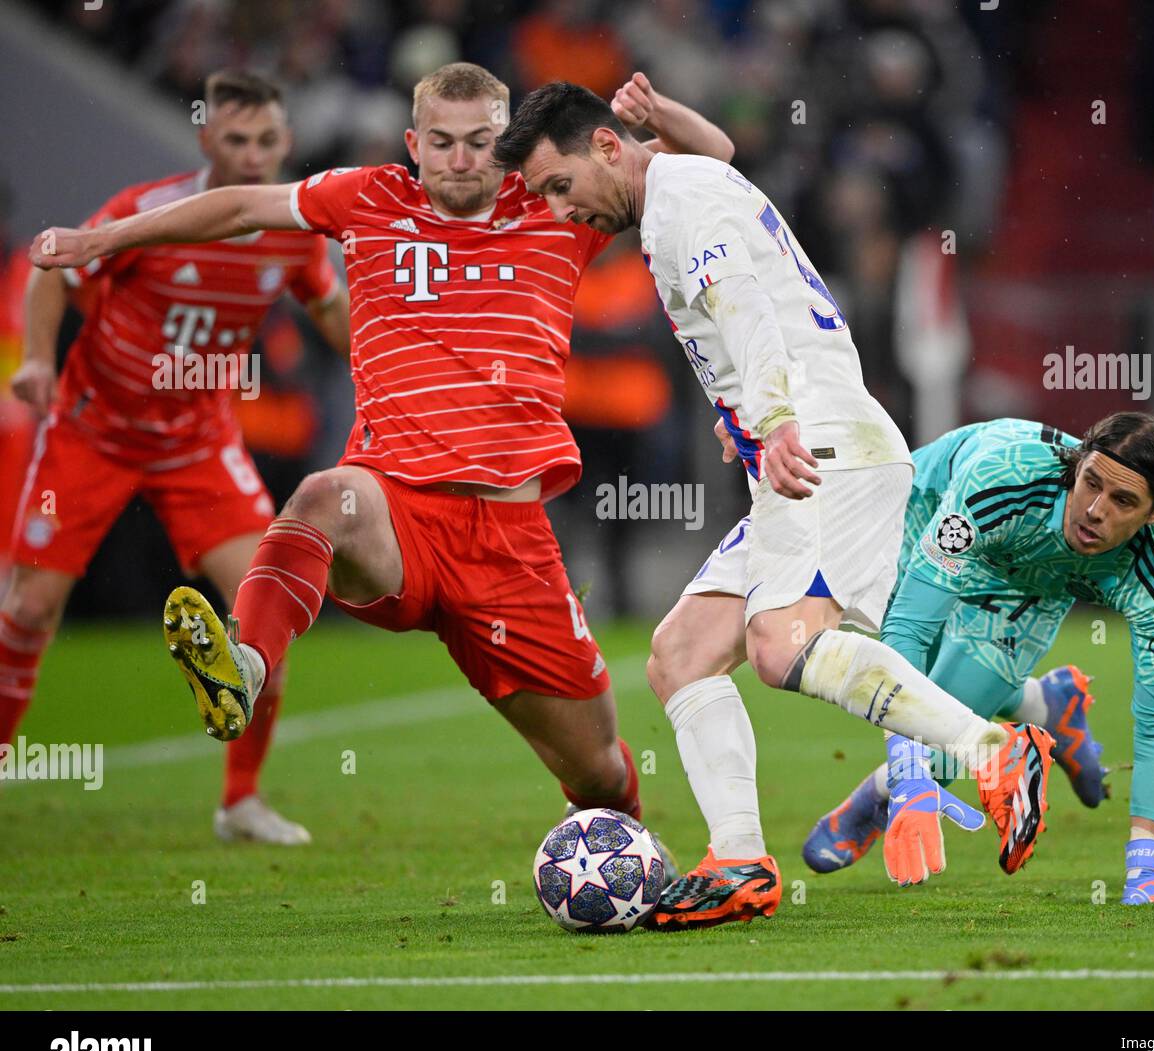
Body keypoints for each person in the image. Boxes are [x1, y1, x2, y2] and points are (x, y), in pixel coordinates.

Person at [30, 64, 734, 840]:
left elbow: (713, 161)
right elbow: (236, 207)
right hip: (393, 508)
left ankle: (623, 848)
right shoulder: (366, 197)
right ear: (413, 143)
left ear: (506, 142)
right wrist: (104, 237)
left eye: (479, 142)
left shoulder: (555, 205)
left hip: (511, 541)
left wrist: (660, 110)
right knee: (322, 496)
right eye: (442, 142)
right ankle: (246, 666)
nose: (461, 160)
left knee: (596, 766)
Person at [492, 81, 1056, 929]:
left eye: (558, 186)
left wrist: (775, 418)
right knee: (681, 655)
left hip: (821, 441)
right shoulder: (686, 183)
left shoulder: (679, 209)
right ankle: (743, 862)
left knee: (780, 644)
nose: (560, 210)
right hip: (802, 439)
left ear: (606, 147)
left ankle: (994, 749)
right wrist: (665, 119)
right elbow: (718, 149)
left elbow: (746, 314)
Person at [6, 71, 350, 844]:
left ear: (286, 142)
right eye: (236, 139)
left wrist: (385, 375)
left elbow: (328, 304)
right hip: (93, 431)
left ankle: (240, 801)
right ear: (204, 138)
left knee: (269, 607)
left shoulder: (293, 230)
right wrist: (34, 361)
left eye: (267, 140)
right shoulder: (146, 212)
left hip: (198, 441)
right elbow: (51, 268)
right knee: (28, 610)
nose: (254, 155)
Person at [805, 415, 1154, 905]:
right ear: (1077, 468)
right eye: (1091, 483)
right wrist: (907, 772)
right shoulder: (1001, 479)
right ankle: (1043, 705)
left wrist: (1149, 875)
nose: (1094, 510)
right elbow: (910, 628)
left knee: (945, 741)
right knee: (919, 726)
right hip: (932, 511)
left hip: (1032, 585)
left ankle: (1039, 710)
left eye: (1123, 501)